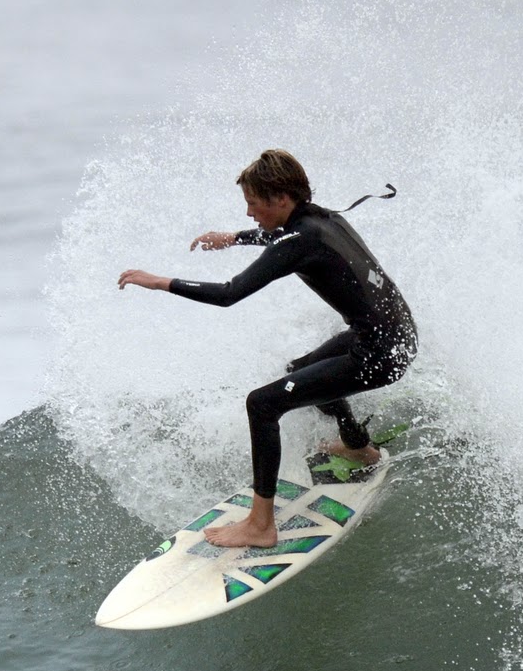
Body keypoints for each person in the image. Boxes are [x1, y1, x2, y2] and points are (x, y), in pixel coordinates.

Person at [117, 149, 417, 548]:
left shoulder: (299, 239)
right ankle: (360, 450)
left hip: (379, 352)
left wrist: (160, 282)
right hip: (394, 337)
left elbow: (229, 293)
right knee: (302, 368)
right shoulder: (321, 219)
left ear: (281, 199)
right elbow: (283, 238)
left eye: (253, 204)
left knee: (262, 404)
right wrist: (235, 239)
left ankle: (260, 526)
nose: (248, 213)